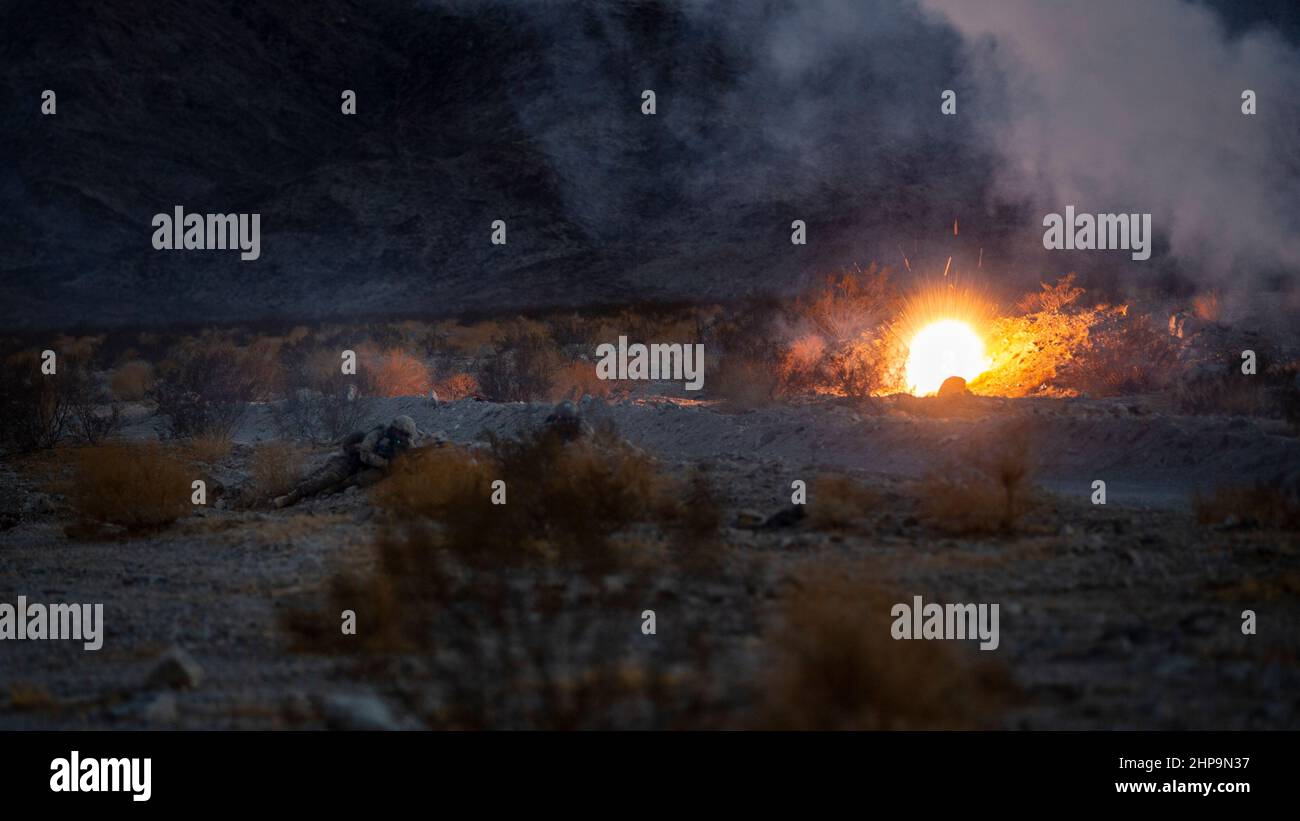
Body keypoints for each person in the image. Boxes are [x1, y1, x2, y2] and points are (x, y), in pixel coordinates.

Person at [273, 415, 419, 508]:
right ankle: (292, 495)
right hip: (354, 460)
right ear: (394, 429)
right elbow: (364, 453)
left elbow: (412, 459)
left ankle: (336, 488)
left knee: (369, 478)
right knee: (328, 477)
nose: (402, 438)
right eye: (400, 433)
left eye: (405, 435)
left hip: (370, 469)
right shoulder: (378, 434)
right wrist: (385, 463)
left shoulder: (406, 444)